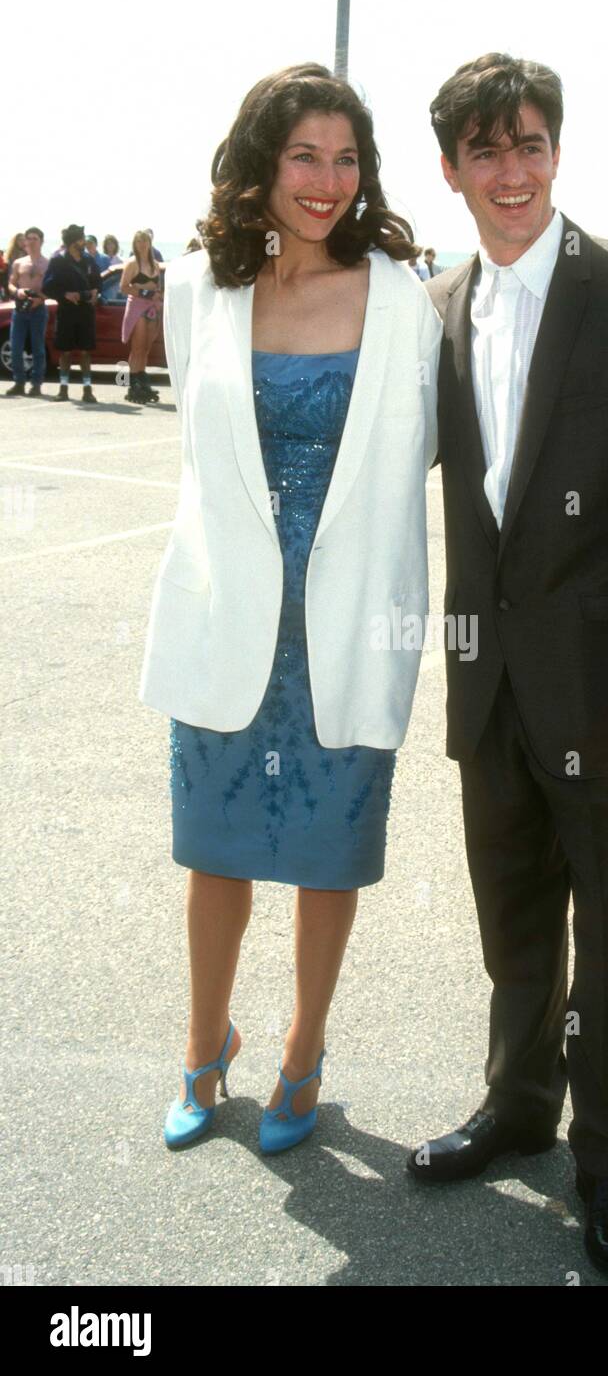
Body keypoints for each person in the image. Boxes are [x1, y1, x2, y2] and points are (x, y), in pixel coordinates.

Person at [407, 53, 608, 1274]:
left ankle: (602, 1154)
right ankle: (515, 1103)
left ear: (556, 152)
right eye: (484, 151)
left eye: (529, 144)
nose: (511, 170)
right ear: (451, 169)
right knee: (512, 914)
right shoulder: (434, 305)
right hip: (485, 677)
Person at [137, 63, 441, 1155]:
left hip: (347, 619)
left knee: (326, 852)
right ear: (262, 160)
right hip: (229, 614)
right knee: (213, 850)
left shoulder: (403, 298)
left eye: (346, 157)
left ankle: (302, 1054)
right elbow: (196, 450)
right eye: (305, 154)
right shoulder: (195, 289)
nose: (326, 180)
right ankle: (200, 1045)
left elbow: (430, 446)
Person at [41, 223, 103, 402]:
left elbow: (98, 283)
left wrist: (94, 293)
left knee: (85, 351)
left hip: (85, 311)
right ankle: (63, 389)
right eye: (81, 238)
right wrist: (65, 295)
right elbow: (48, 286)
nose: (84, 241)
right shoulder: (58, 260)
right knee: (65, 351)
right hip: (67, 311)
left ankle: (87, 389)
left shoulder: (89, 260)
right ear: (73, 241)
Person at [119, 230, 164, 403]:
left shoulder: (155, 265)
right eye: (138, 241)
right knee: (137, 347)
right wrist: (145, 292)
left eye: (144, 241)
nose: (142, 244)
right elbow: (123, 287)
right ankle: (133, 383)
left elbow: (158, 286)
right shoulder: (132, 263)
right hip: (137, 305)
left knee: (146, 348)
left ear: (149, 242)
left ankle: (142, 379)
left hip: (152, 307)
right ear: (134, 244)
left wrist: (158, 295)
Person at [4, 227, 49, 398]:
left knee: (38, 348)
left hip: (38, 309)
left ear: (41, 241)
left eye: (34, 238)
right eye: (28, 238)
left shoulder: (48, 263)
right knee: (15, 347)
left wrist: (41, 298)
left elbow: (52, 287)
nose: (30, 241)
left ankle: (36, 384)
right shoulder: (19, 263)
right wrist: (18, 292)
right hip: (20, 309)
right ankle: (19, 382)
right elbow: (10, 284)